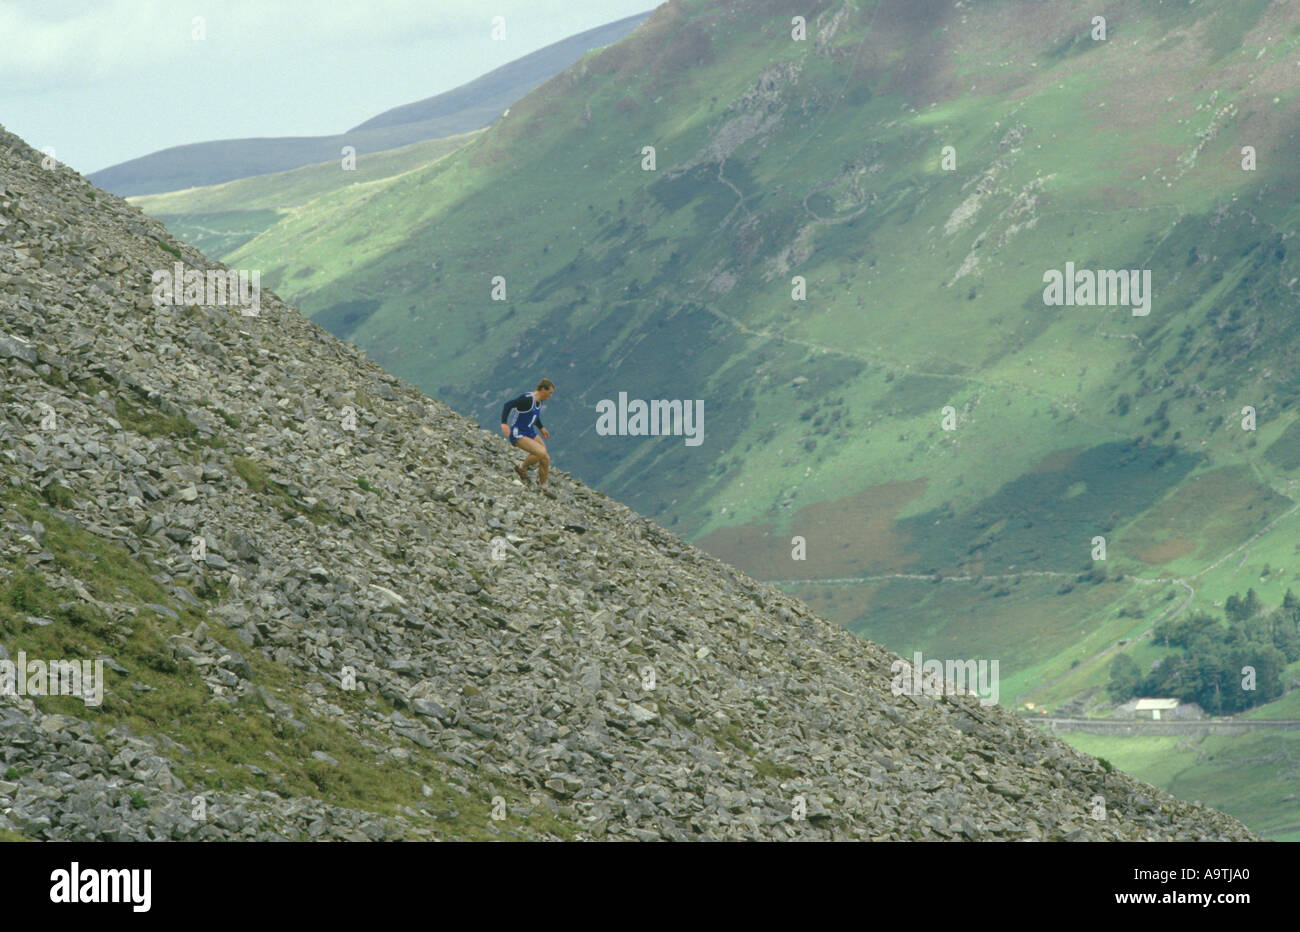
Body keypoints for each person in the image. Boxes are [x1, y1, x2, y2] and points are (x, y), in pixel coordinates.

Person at [501, 379, 556, 498]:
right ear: (543, 389)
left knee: (545, 457)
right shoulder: (527, 399)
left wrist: (541, 428)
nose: (550, 396)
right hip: (518, 433)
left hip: (530, 432)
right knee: (540, 452)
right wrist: (504, 423)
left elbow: (534, 415)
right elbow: (508, 405)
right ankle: (521, 467)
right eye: (550, 393)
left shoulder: (539, 401)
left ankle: (543, 487)